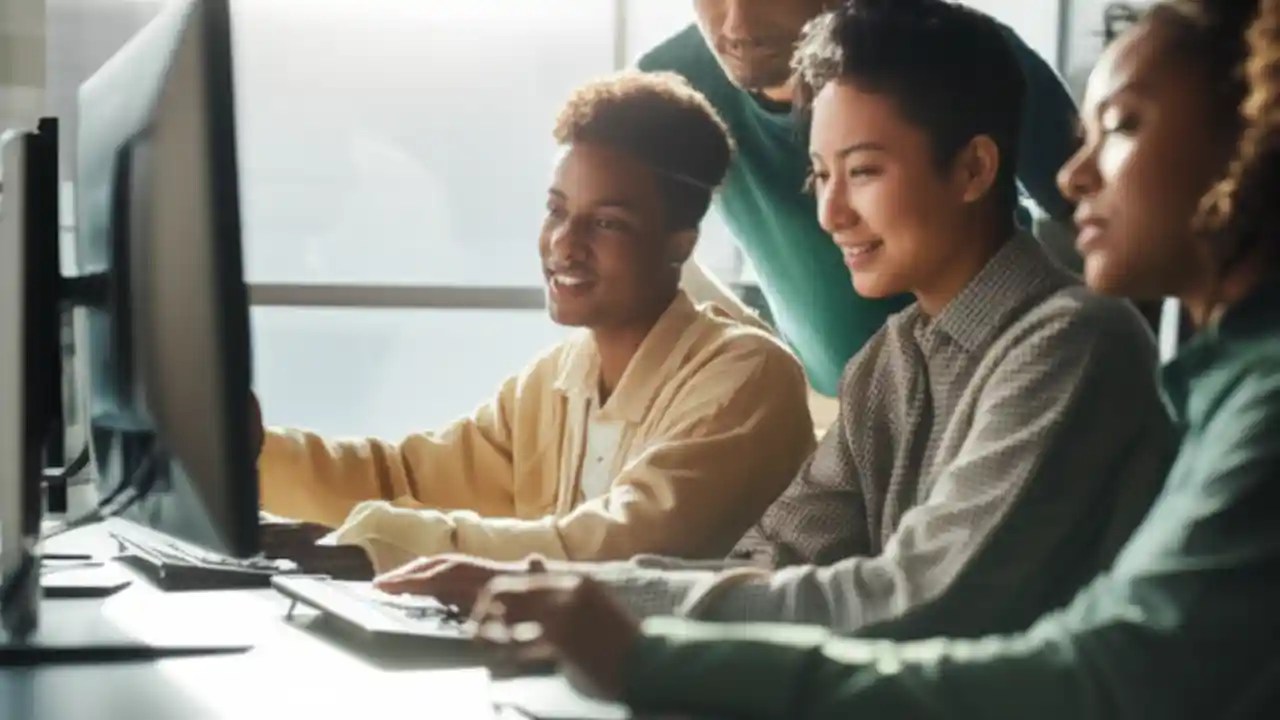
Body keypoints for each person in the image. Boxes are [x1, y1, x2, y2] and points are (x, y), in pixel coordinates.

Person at [451, 1, 1280, 716]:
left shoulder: (1074, 344)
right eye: (819, 177)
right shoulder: (887, 362)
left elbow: (926, 604)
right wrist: (562, 596)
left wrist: (625, 629)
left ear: (975, 169)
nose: (832, 214)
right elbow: (772, 559)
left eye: (865, 172)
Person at [254, 72, 815, 574]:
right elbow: (406, 478)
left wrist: (384, 536)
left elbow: (623, 549)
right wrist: (249, 450)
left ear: (679, 244)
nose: (565, 245)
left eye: (607, 223)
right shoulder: (555, 380)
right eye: (556, 210)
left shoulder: (746, 377)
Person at [644, 0, 1083, 396]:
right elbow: (626, 243)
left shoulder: (951, 50)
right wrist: (757, 350)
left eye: (864, 169)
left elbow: (1109, 227)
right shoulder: (670, 84)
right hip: (837, 406)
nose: (736, 22)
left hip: (993, 374)